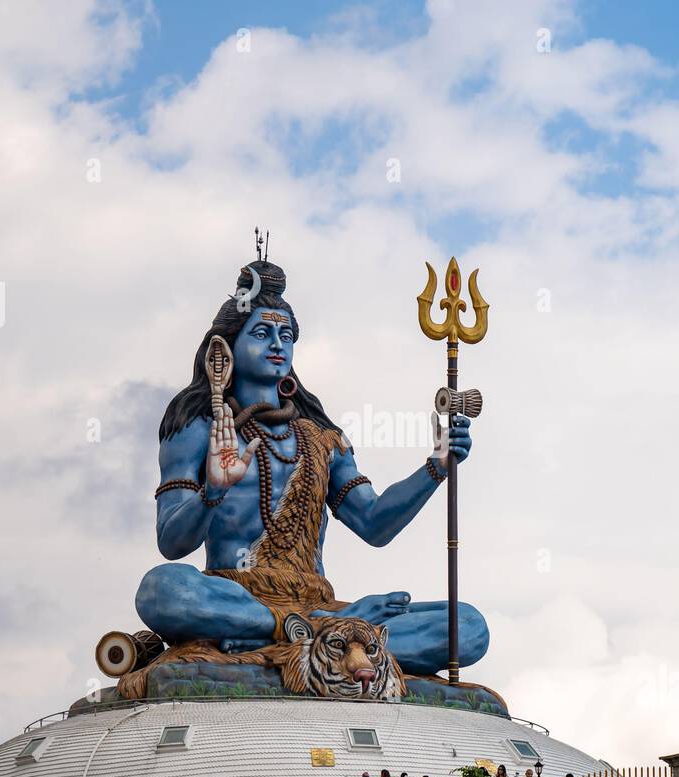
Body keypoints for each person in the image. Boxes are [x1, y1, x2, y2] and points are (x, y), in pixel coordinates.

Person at [130, 256, 488, 690]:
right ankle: (319, 632)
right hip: (234, 597)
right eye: (262, 333)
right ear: (224, 348)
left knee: (466, 626)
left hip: (319, 607)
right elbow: (171, 543)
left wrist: (436, 467)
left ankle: (316, 631)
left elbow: (374, 524)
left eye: (286, 335)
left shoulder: (321, 436)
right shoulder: (197, 425)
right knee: (162, 590)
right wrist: (213, 492)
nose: (277, 344)